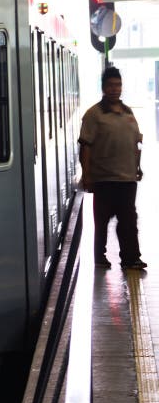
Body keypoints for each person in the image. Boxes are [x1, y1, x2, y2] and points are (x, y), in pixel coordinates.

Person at [79, 66, 145, 270]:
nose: (115, 89)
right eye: (111, 85)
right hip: (104, 179)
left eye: (118, 85)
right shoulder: (94, 114)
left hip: (127, 178)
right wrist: (86, 174)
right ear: (104, 88)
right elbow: (86, 146)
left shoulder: (128, 112)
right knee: (102, 222)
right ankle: (100, 257)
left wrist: (138, 166)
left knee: (129, 221)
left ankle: (131, 258)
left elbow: (135, 142)